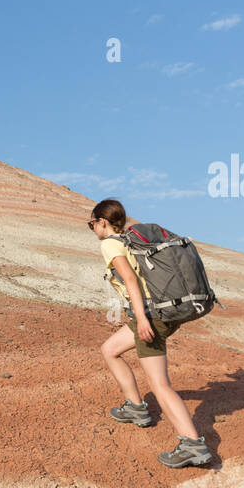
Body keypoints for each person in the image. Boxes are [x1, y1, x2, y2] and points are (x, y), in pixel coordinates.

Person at [89, 198, 212, 468]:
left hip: (151, 317)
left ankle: (192, 443)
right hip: (158, 313)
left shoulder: (110, 244)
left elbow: (130, 280)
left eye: (92, 224)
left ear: (103, 222)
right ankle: (135, 407)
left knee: (159, 385)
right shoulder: (129, 241)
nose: (92, 229)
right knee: (110, 350)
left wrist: (143, 319)